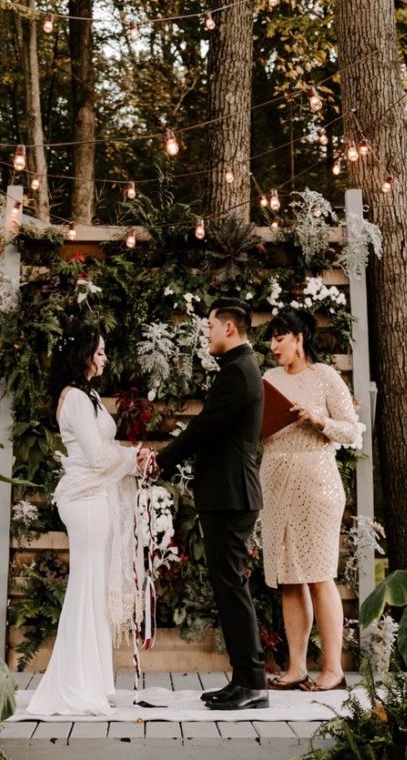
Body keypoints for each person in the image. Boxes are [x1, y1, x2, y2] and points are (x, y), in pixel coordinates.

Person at [144, 296, 268, 713]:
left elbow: (204, 429)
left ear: (229, 328)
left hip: (233, 496)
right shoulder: (237, 369)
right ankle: (243, 681)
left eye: (211, 326)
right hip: (226, 495)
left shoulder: (239, 372)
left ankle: (254, 684)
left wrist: (160, 461)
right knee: (227, 586)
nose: (207, 334)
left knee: (232, 587)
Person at [25, 325, 140, 718]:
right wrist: (134, 459)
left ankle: (96, 681)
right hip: (86, 498)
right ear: (83, 355)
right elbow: (95, 455)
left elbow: (103, 449)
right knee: (85, 585)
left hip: (95, 496)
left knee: (92, 586)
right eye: (101, 351)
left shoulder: (87, 395)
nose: (105, 358)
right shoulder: (74, 398)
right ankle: (76, 683)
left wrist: (127, 457)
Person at [260, 304, 363, 691]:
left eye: (280, 337)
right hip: (275, 481)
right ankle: (296, 667)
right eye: (272, 337)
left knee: (319, 575)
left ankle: (334, 669)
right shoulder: (268, 377)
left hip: (316, 483)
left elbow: (352, 432)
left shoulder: (325, 377)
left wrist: (318, 420)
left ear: (300, 339)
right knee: (289, 577)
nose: (273, 345)